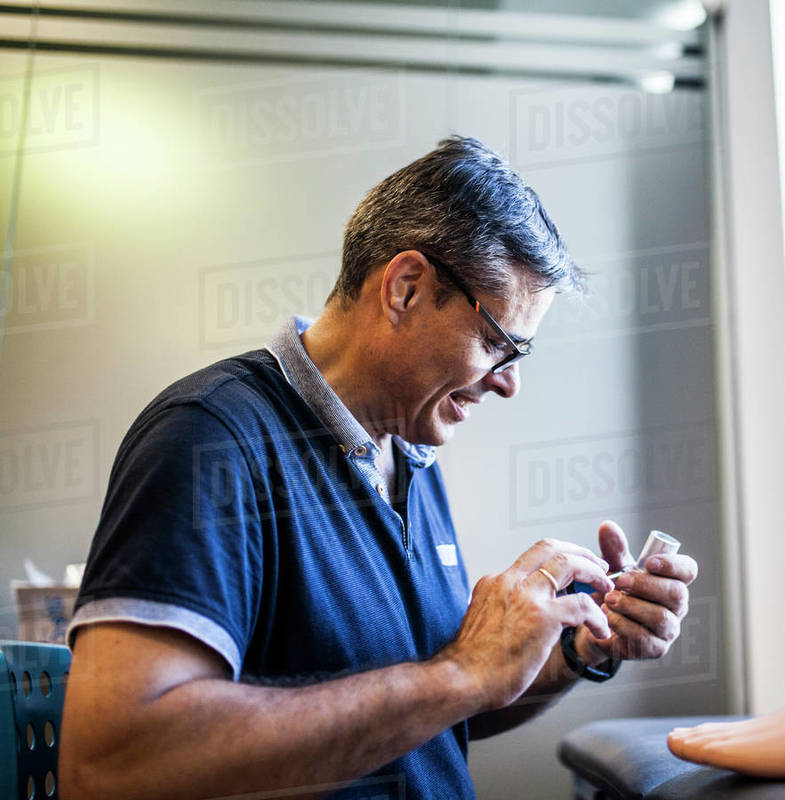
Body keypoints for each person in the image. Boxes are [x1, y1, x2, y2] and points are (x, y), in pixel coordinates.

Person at [59, 136, 698, 800]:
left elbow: (430, 710)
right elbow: (111, 764)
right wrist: (461, 673)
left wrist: (579, 647)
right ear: (406, 288)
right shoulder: (210, 440)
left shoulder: (409, 456)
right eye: (497, 345)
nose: (509, 385)